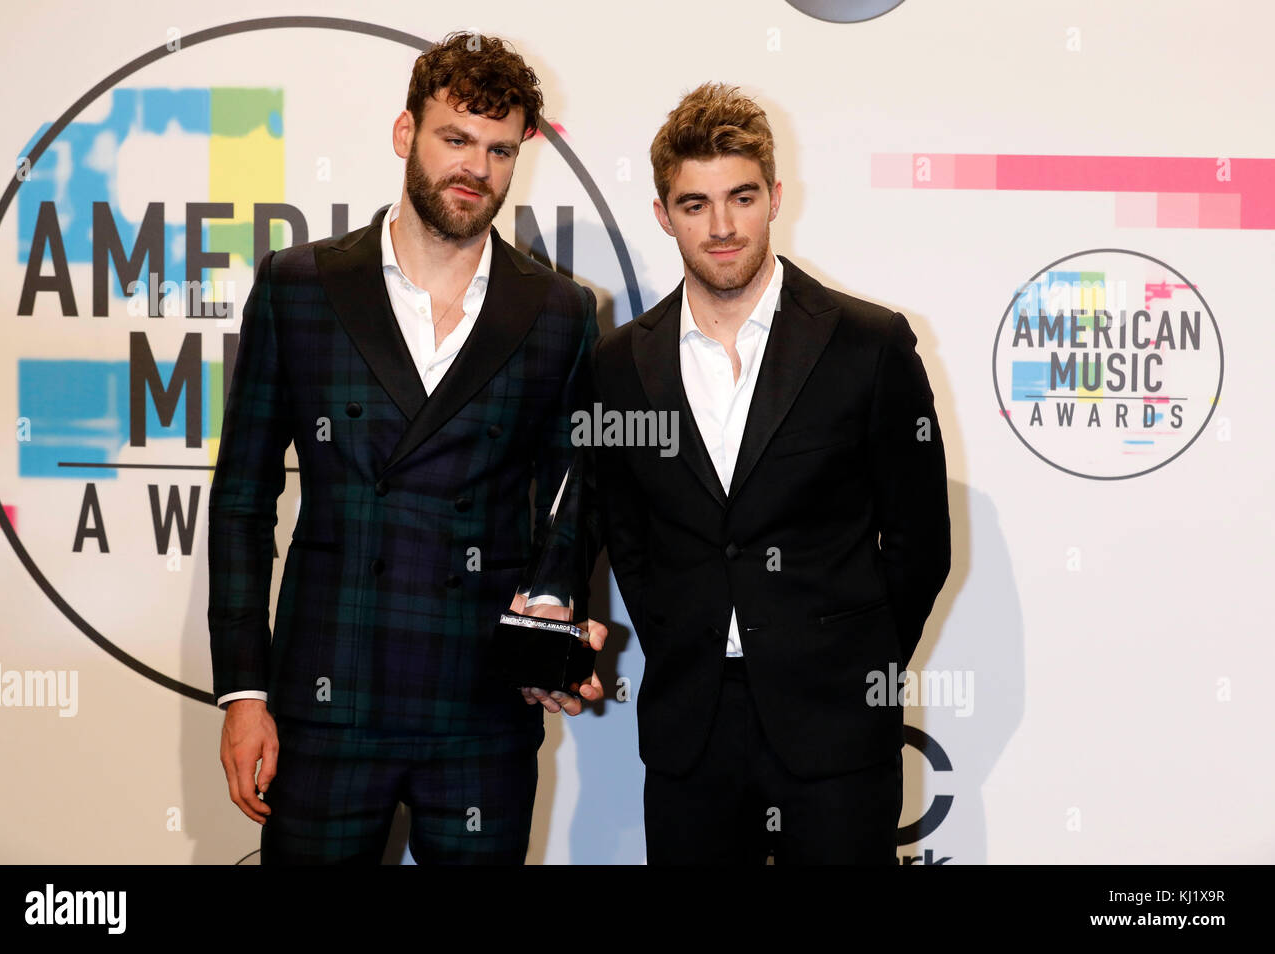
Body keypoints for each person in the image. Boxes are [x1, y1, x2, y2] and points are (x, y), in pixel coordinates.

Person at [208, 31, 605, 865]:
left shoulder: (560, 311)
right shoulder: (300, 285)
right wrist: (245, 691)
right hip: (326, 695)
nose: (476, 168)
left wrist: (554, 610)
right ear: (404, 134)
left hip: (482, 706)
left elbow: (574, 498)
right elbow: (243, 498)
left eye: (499, 150)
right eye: (455, 139)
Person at [589, 83, 952, 864]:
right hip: (692, 731)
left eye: (741, 197)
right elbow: (628, 533)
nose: (721, 227)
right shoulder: (621, 364)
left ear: (775, 197)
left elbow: (922, 541)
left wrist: (859, 661)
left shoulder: (867, 344)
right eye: (694, 205)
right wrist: (681, 636)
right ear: (662, 213)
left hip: (837, 730)